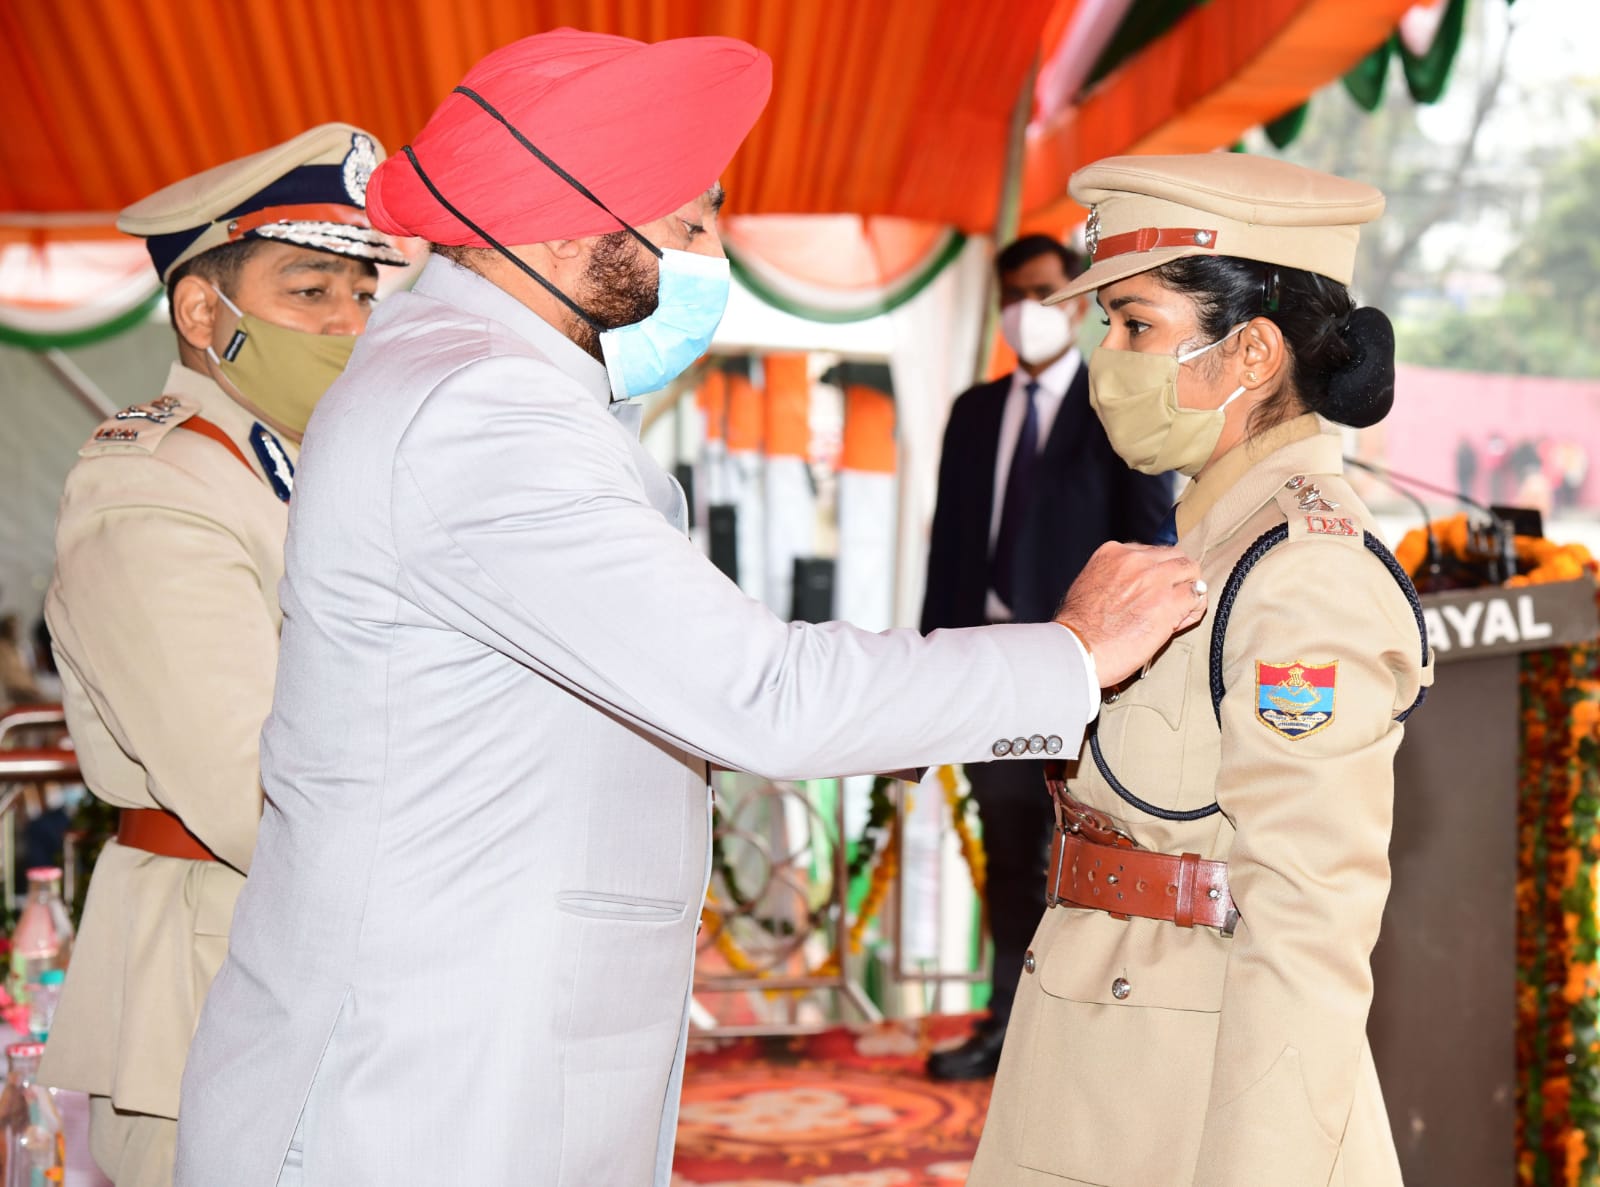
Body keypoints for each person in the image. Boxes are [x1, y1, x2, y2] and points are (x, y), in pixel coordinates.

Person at [172, 30, 1207, 1187]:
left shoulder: (485, 383)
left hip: (481, 1042)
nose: (708, 258)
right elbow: (758, 693)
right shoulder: (479, 412)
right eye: (688, 222)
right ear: (564, 224)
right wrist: (1071, 654)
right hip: (429, 1082)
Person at [967, 153, 1433, 1187]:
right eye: (1107, 327)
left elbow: (1306, 927)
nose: (1105, 357)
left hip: (1190, 1094)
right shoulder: (1206, 548)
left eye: (1136, 324)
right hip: (1113, 1056)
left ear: (1251, 352)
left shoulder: (1301, 572)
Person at [41, 124, 405, 1187]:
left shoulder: (299, 467)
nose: (349, 323)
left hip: (331, 959)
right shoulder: (151, 488)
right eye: (309, 291)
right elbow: (251, 785)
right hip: (213, 975)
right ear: (206, 314)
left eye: (361, 293)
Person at [921, 235, 1171, 1081]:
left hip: (1082, 669)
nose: (1026, 310)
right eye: (1011, 295)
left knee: (1081, 855)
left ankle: (1072, 1037)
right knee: (1007, 848)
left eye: (1042, 291)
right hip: (989, 666)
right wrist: (928, 684)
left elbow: (1151, 533)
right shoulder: (974, 413)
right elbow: (947, 557)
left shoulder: (1111, 411)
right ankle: (1004, 1023)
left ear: (1078, 300)